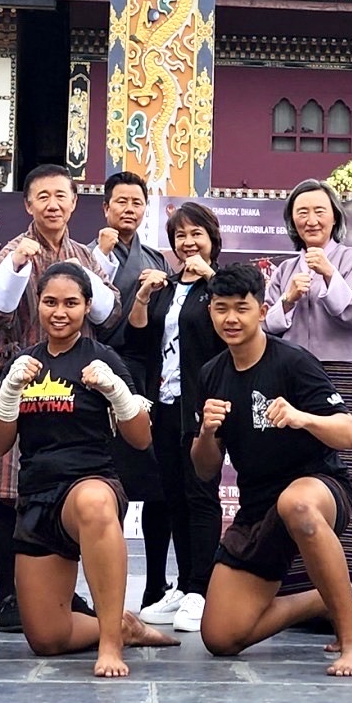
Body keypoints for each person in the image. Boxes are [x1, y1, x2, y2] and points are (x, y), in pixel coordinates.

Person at [0, 262, 176, 676]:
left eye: (71, 303)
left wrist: (116, 391)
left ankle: (111, 644)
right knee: (47, 640)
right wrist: (10, 391)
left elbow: (141, 438)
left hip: (91, 484)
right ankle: (121, 626)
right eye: (50, 302)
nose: (60, 312)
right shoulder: (25, 362)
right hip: (36, 498)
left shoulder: (103, 357)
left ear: (87, 306)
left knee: (92, 502)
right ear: (36, 304)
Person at [193, 262, 352, 677]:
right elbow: (204, 471)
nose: (231, 319)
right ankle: (320, 599)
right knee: (220, 638)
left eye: (242, 308)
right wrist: (206, 432)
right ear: (211, 313)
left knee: (298, 505)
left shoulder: (293, 362)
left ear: (263, 309)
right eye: (221, 309)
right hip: (258, 506)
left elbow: (350, 435)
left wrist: (302, 417)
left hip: (320, 488)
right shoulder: (211, 375)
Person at [0, 164, 118, 632]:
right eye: (43, 197)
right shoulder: (9, 250)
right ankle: (7, 596)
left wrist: (82, 274)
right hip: (22, 373)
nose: (52, 205)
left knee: (70, 489)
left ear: (74, 202)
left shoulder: (85, 255)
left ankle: (63, 591)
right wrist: (17, 265)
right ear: (28, 204)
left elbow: (109, 311)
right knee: (8, 493)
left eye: (61, 196)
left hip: (79, 383)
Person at [262, 178, 352, 621]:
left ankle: (344, 605)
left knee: (348, 477)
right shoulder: (283, 270)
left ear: (335, 217)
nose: (310, 219)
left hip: (341, 373)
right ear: (291, 221)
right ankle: (297, 601)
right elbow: (267, 326)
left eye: (319, 211)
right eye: (301, 212)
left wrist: (329, 276)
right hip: (291, 376)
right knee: (292, 474)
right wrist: (288, 299)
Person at [132, 200, 230, 635]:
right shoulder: (167, 287)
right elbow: (138, 332)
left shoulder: (222, 287)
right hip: (164, 402)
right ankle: (182, 586)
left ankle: (201, 590)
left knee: (201, 495)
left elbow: (232, 327)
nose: (187, 244)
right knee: (172, 496)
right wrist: (142, 295)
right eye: (179, 237)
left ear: (212, 239)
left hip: (204, 403)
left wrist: (213, 279)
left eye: (196, 235)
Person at [91, 171, 175, 618]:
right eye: (119, 201)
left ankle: (157, 584)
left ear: (146, 210)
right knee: (108, 483)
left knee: (156, 482)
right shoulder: (88, 254)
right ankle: (104, 587)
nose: (128, 209)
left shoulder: (157, 260)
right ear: (105, 208)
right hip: (99, 370)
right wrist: (101, 256)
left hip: (146, 375)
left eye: (136, 202)